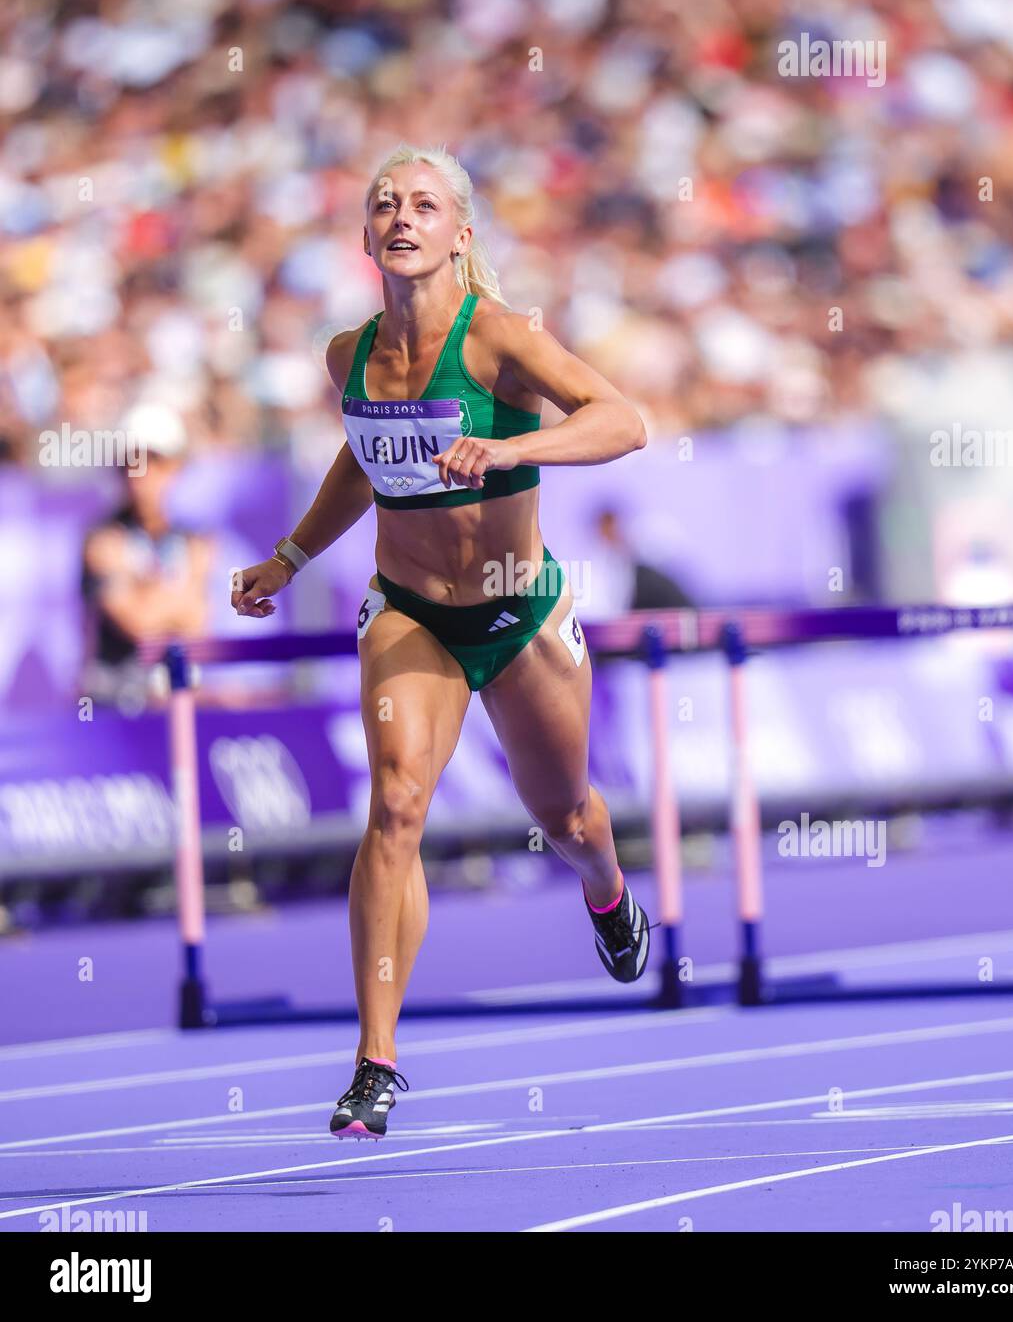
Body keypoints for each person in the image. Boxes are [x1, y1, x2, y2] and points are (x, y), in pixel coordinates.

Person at [232, 144, 650, 1140]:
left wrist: (511, 445)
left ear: (460, 234)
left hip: (517, 610)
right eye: (385, 204)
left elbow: (623, 420)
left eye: (424, 204)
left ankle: (606, 889)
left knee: (569, 814)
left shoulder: (501, 340)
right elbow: (360, 459)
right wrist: (290, 555)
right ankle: (375, 1061)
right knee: (398, 802)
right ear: (367, 233)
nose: (403, 217)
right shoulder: (350, 356)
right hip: (412, 608)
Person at [82, 404, 212, 713]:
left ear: (175, 467)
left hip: (175, 705)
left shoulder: (196, 541)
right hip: (114, 705)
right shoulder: (102, 540)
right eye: (132, 462)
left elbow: (197, 624)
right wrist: (175, 598)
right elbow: (138, 624)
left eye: (155, 461)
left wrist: (147, 592)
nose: (141, 474)